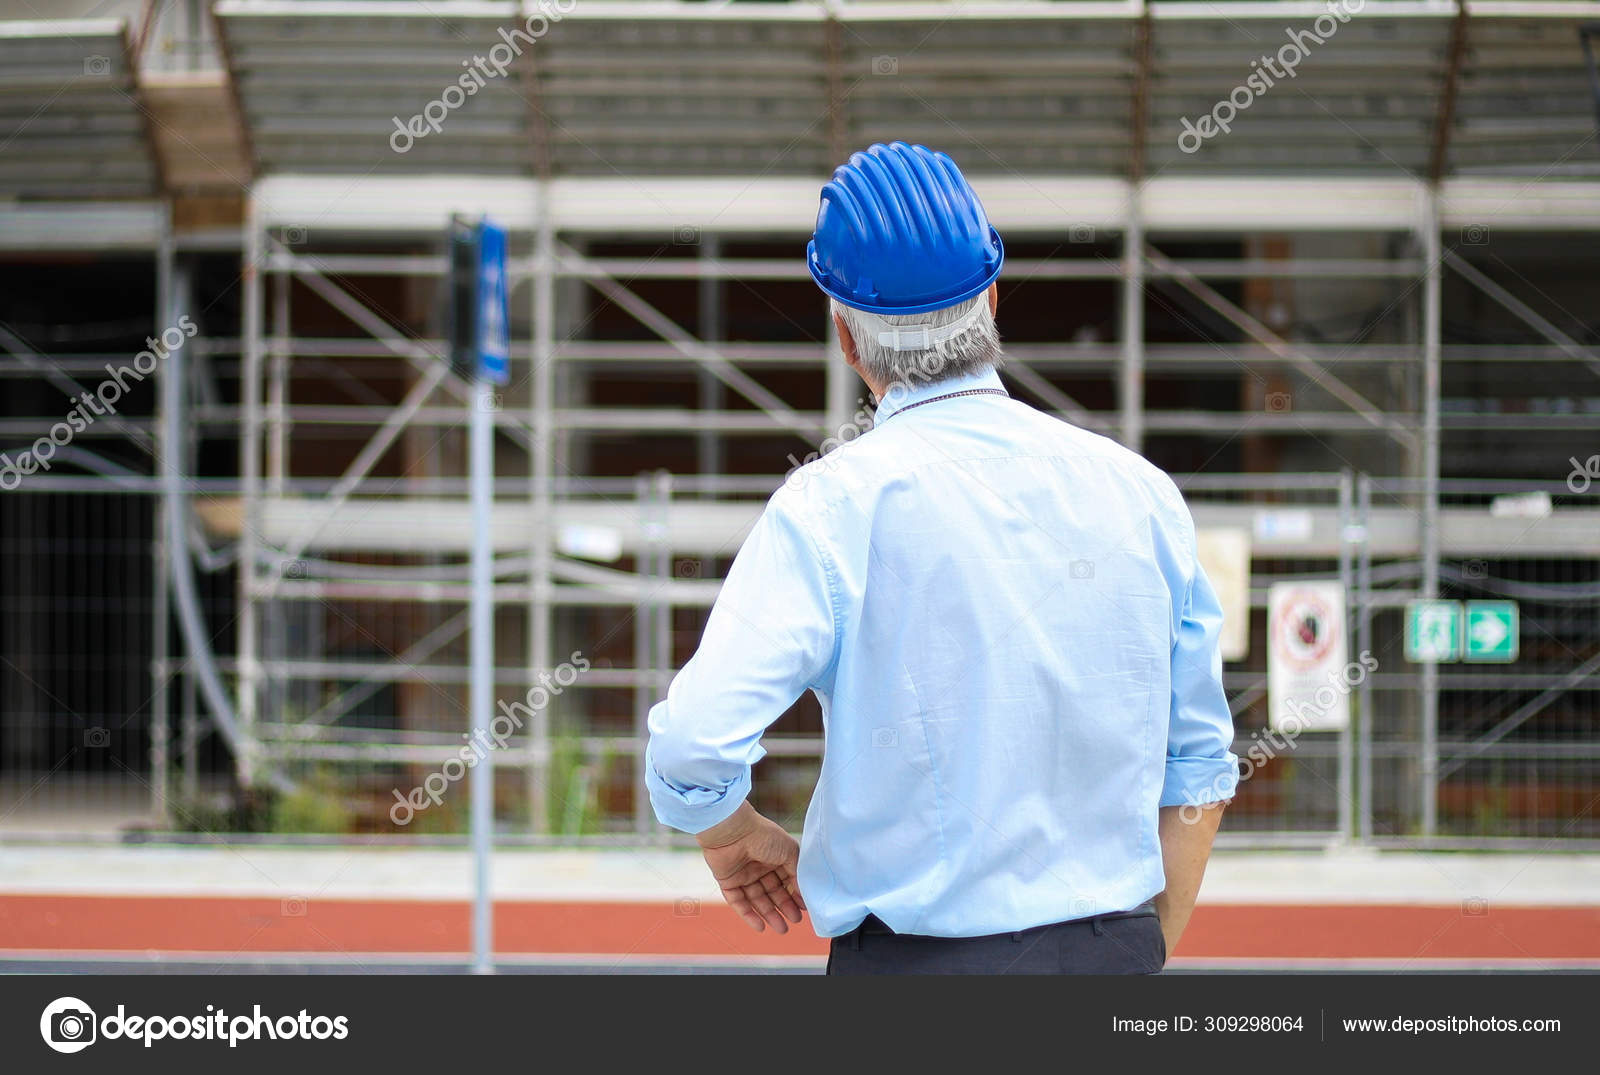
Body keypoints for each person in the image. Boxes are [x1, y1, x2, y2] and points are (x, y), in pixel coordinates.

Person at [645, 141, 1237, 974]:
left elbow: (694, 742)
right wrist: (1137, 955)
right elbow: (1199, 768)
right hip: (1112, 952)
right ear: (992, 297)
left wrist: (728, 830)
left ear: (846, 338)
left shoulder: (829, 509)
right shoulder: (1141, 495)